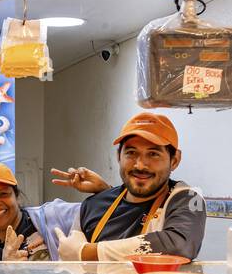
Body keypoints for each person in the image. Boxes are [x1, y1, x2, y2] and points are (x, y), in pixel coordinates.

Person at [51, 112, 205, 262]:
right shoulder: (92, 205)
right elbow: (72, 268)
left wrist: (87, 253)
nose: (140, 165)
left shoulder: (190, 199)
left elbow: (180, 245)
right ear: (119, 156)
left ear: (175, 160)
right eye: (131, 153)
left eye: (153, 154)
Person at [0, 163, 77, 261]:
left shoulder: (53, 215)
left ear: (17, 197)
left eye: (3, 194)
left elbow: (93, 214)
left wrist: (96, 192)